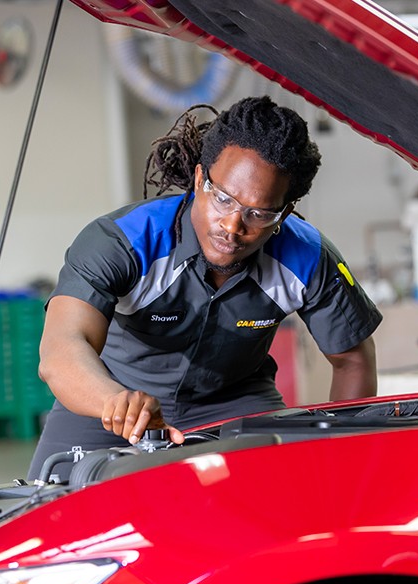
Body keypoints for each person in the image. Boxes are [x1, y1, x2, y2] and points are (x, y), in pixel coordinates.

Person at [28, 96, 382, 479]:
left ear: (286, 211)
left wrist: (348, 459)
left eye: (258, 213)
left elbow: (352, 360)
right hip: (115, 399)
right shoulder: (124, 241)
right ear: (200, 180)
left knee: (282, 505)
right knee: (47, 510)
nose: (233, 225)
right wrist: (114, 400)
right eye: (224, 198)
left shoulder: (308, 258)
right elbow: (61, 351)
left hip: (237, 400)